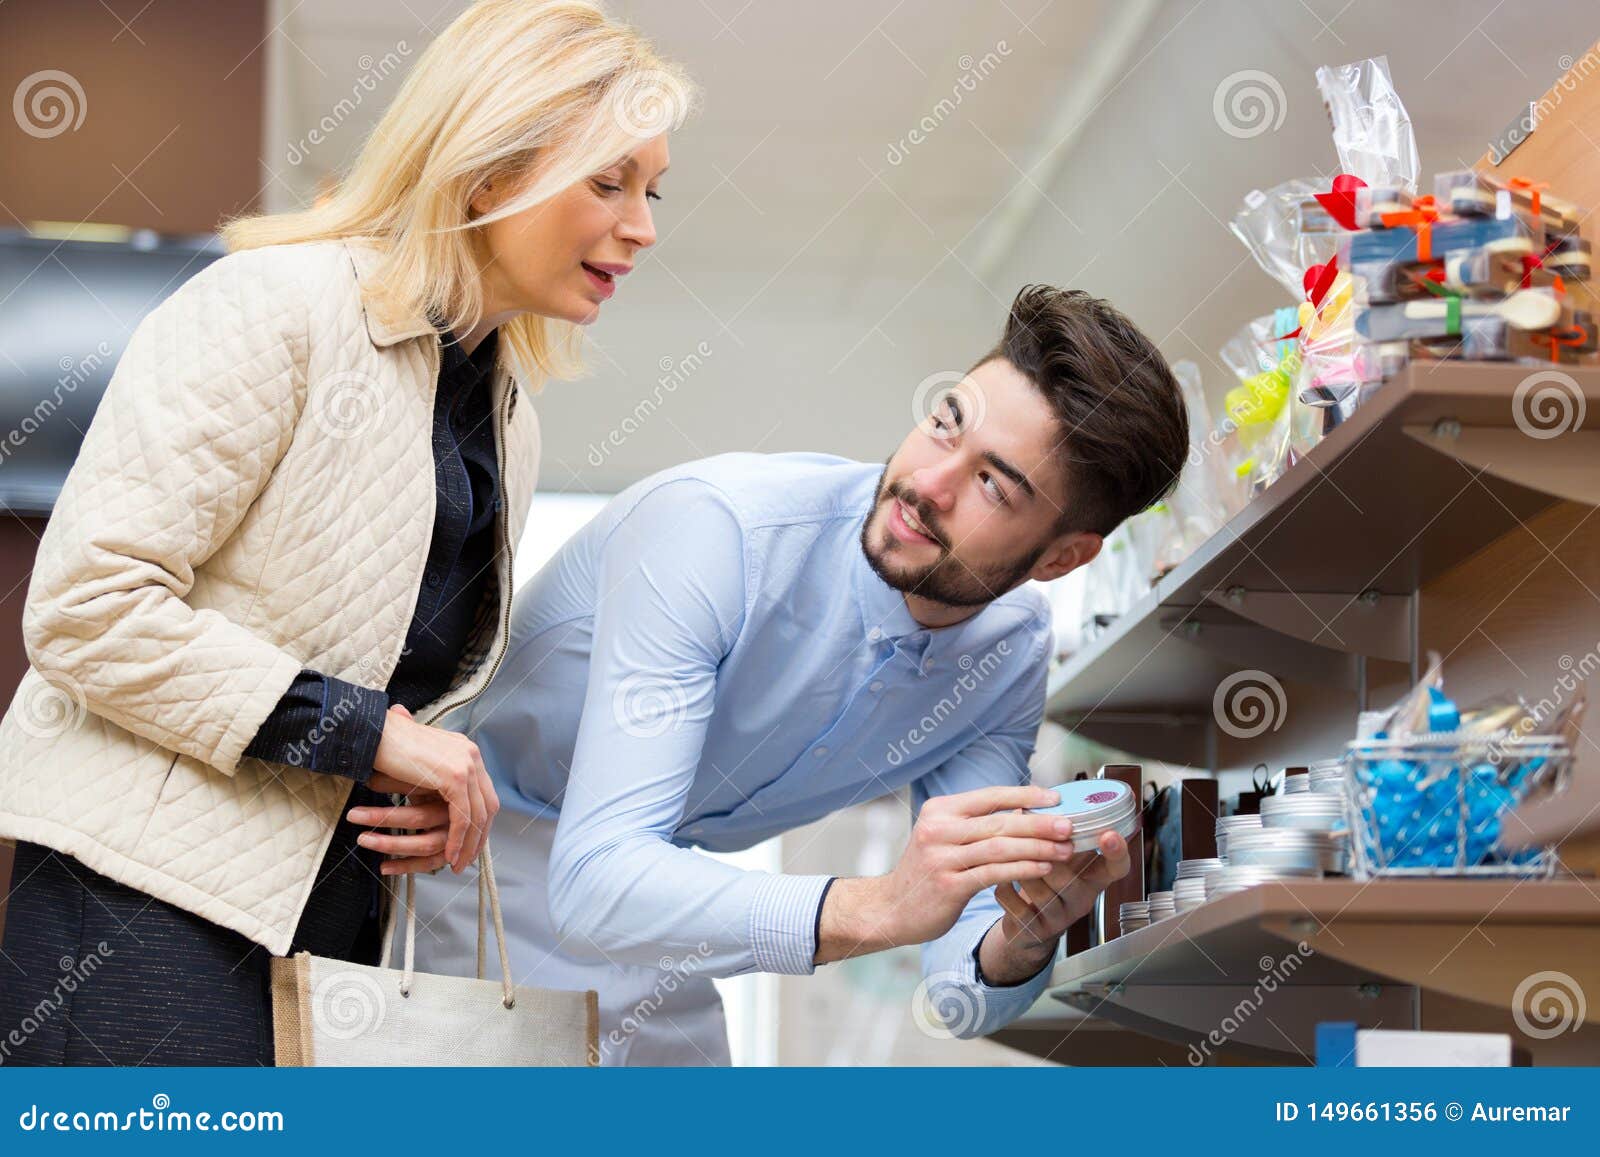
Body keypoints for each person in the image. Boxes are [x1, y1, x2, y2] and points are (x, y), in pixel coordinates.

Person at [0, 0, 690, 1065]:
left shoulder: (508, 417)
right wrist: (373, 735)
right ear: (487, 169)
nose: (643, 225)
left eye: (652, 189)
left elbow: (365, 673)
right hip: (144, 907)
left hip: (326, 936)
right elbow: (87, 610)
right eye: (609, 181)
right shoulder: (271, 306)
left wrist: (399, 777)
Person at [362, 284, 1191, 1064]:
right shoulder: (718, 533)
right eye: (945, 423)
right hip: (469, 883)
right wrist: (876, 906)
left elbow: (961, 984)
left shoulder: (1006, 652)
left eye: (991, 485)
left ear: (1063, 557)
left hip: (664, 908)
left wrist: (1024, 933)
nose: (926, 485)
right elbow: (594, 879)